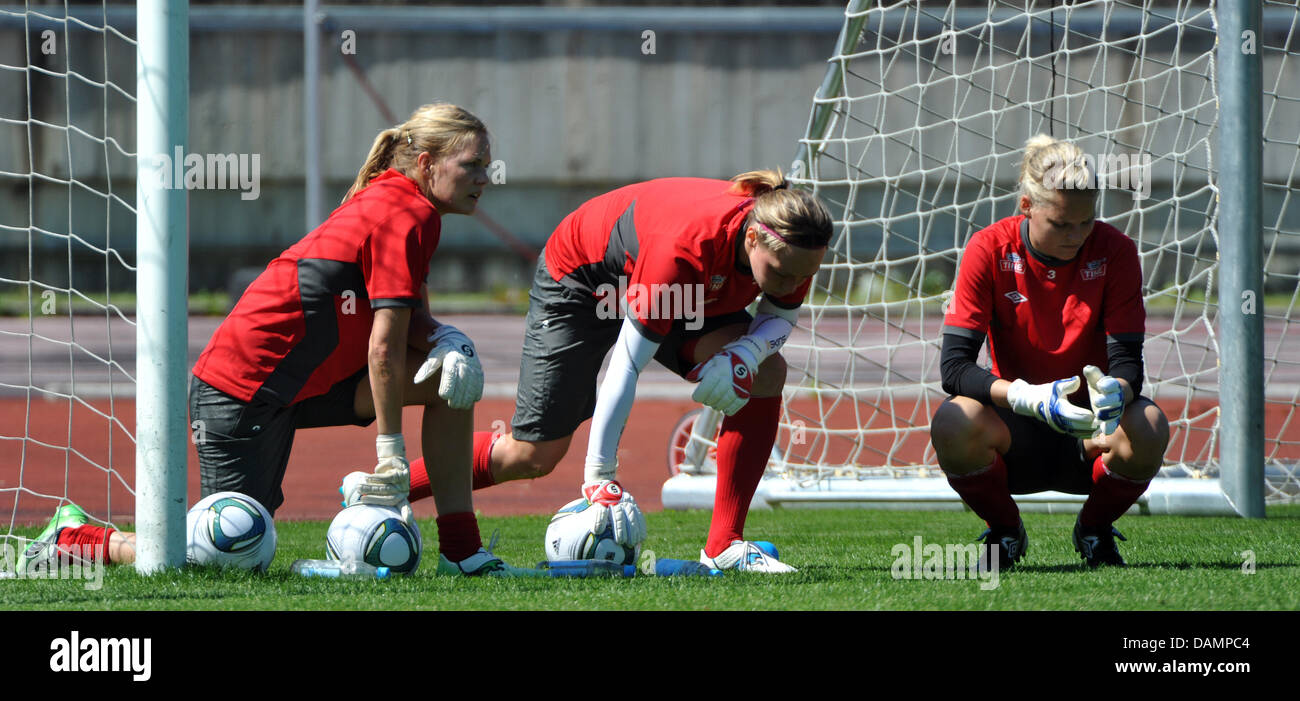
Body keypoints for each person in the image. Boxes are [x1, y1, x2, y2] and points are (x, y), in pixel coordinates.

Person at [20, 103, 517, 576]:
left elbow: (410, 323)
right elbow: (384, 347)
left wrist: (450, 341)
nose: (484, 178)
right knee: (226, 553)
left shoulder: (405, 204)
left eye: (487, 167)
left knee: (454, 381)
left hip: (303, 384)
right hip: (240, 392)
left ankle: (460, 550)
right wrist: (391, 453)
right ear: (427, 164)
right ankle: (78, 539)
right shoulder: (408, 213)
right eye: (472, 165)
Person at [356, 171, 832, 572]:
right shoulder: (684, 249)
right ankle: (385, 485)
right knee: (534, 455)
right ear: (751, 238)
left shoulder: (795, 248)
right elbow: (626, 364)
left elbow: (780, 317)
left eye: (801, 275)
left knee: (767, 373)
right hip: (583, 281)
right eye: (783, 273)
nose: (793, 284)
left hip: (678, 287)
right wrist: (600, 476)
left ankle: (724, 547)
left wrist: (745, 357)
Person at [930, 134, 1170, 568]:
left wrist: (1115, 394)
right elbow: (954, 368)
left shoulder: (1116, 251)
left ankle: (1094, 530)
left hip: (1090, 433)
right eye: (1061, 224)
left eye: (1085, 223)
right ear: (1026, 206)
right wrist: (1027, 397)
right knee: (952, 419)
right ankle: (1005, 533)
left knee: (1150, 423)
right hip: (1016, 432)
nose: (1075, 236)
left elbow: (1128, 367)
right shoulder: (989, 248)